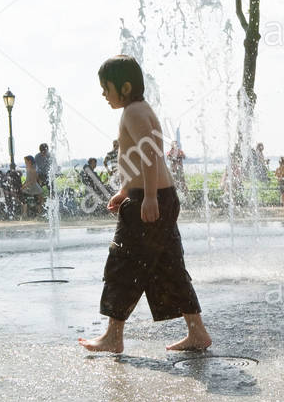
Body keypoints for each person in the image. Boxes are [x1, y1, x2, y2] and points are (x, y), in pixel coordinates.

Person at [79, 55, 211, 354]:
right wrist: (126, 190)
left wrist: (148, 196)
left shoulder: (133, 112)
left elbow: (151, 155)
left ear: (124, 87)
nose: (103, 94)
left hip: (151, 199)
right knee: (170, 266)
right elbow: (142, 157)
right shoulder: (139, 109)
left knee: (122, 263)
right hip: (156, 195)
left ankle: (113, 336)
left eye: (106, 87)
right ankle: (197, 332)